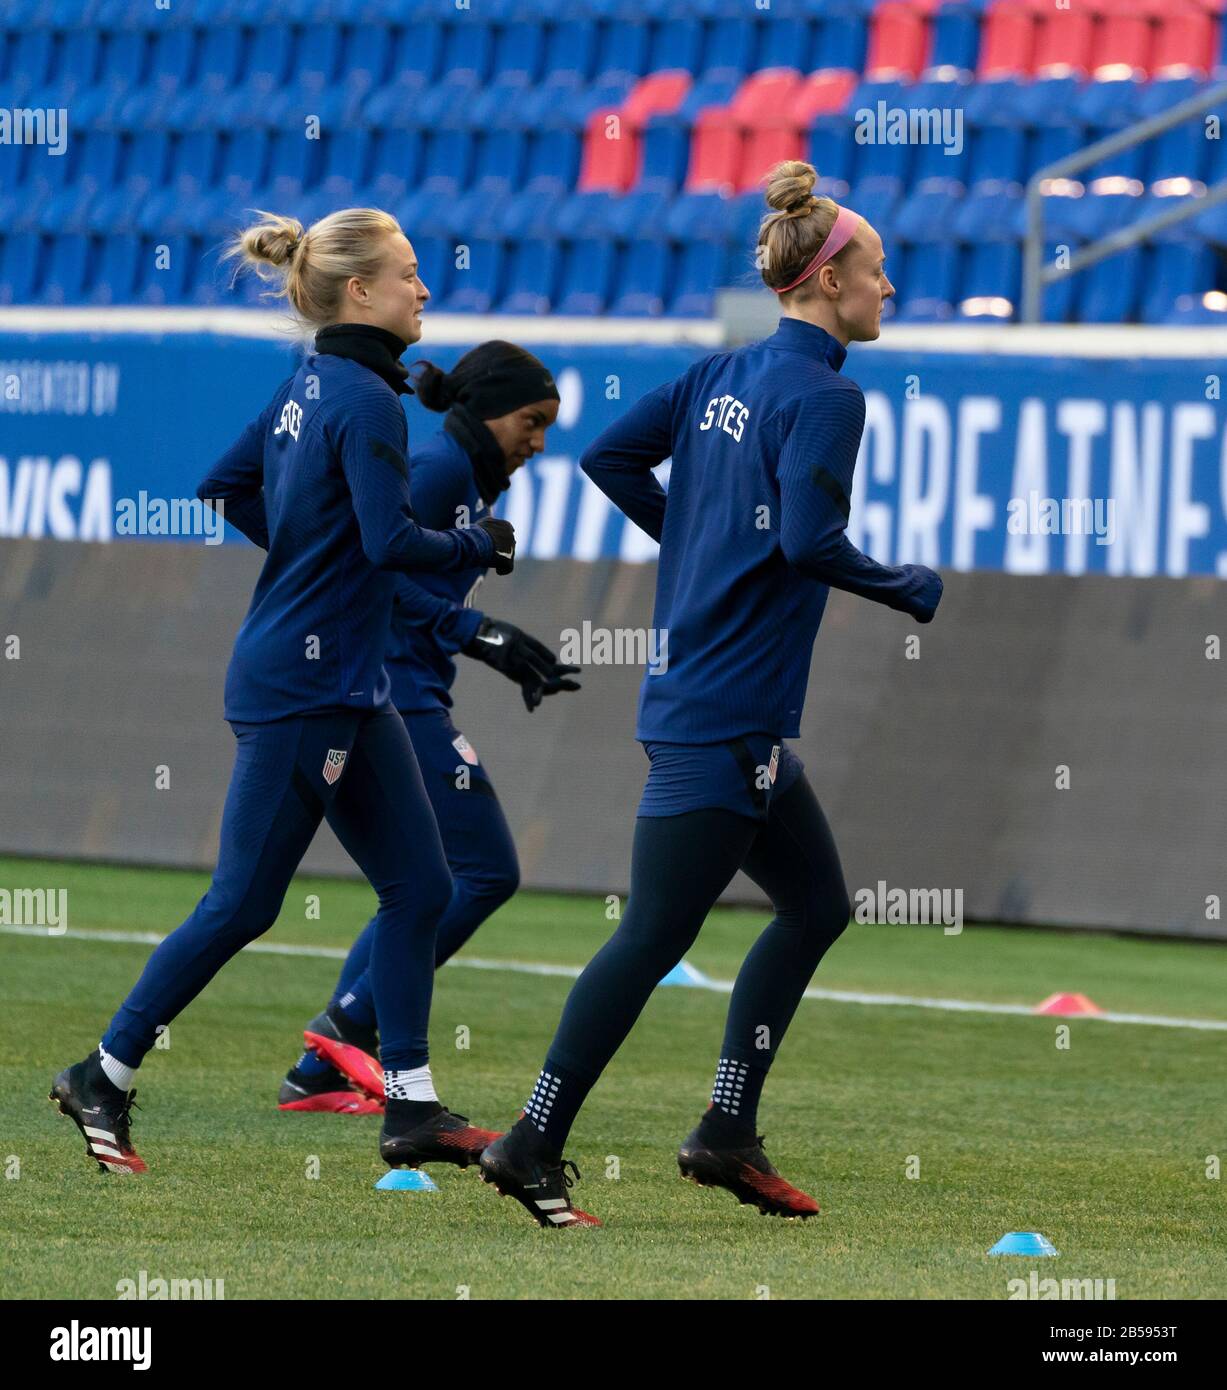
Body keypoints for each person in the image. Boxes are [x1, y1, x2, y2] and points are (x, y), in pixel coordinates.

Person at [478, 160, 943, 1229]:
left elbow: (609, 457)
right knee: (650, 936)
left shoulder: (718, 375)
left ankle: (727, 1127)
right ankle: (533, 1136)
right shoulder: (829, 396)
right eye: (877, 271)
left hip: (723, 709)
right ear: (828, 283)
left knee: (819, 905)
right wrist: (905, 587)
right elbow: (813, 541)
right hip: (726, 718)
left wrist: (696, 541)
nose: (889, 289)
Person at [49, 207, 515, 1176]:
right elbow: (392, 543)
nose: (425, 291)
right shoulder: (367, 399)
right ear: (361, 292)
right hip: (306, 687)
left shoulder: (313, 383)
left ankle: (413, 1106)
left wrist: (312, 558)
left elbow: (225, 484)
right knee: (243, 902)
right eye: (410, 275)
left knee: (423, 884)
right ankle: (104, 1069)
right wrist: (478, 544)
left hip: (341, 677)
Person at [279, 342, 581, 1114]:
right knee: (484, 872)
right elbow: (380, 571)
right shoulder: (444, 471)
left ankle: (320, 1071)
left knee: (410, 891)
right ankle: (344, 1026)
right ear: (488, 412)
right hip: (395, 693)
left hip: (408, 689)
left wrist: (489, 644)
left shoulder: (462, 477)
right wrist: (480, 632)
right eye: (531, 421)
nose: (539, 441)